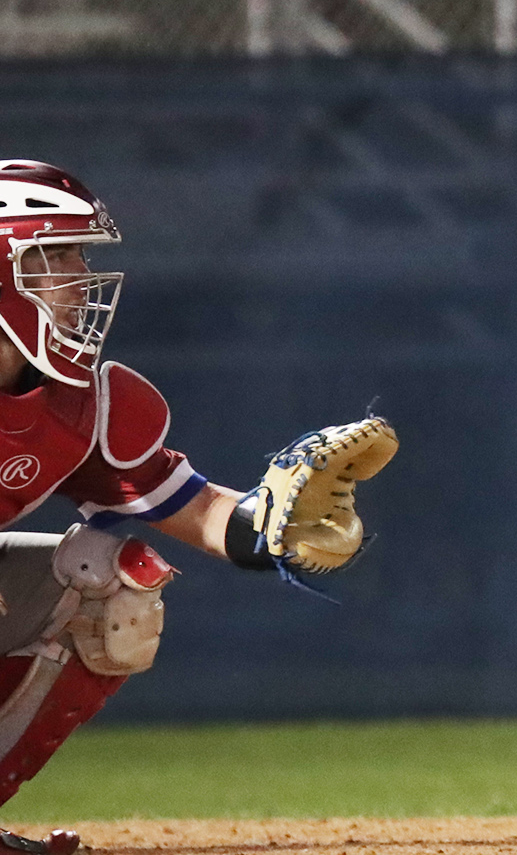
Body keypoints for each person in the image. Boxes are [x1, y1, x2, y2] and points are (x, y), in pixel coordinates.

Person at [0, 160, 396, 854]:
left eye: (78, 254)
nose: (81, 275)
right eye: (56, 256)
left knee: (114, 586)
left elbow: (201, 511)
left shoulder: (81, 407)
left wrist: (275, 522)